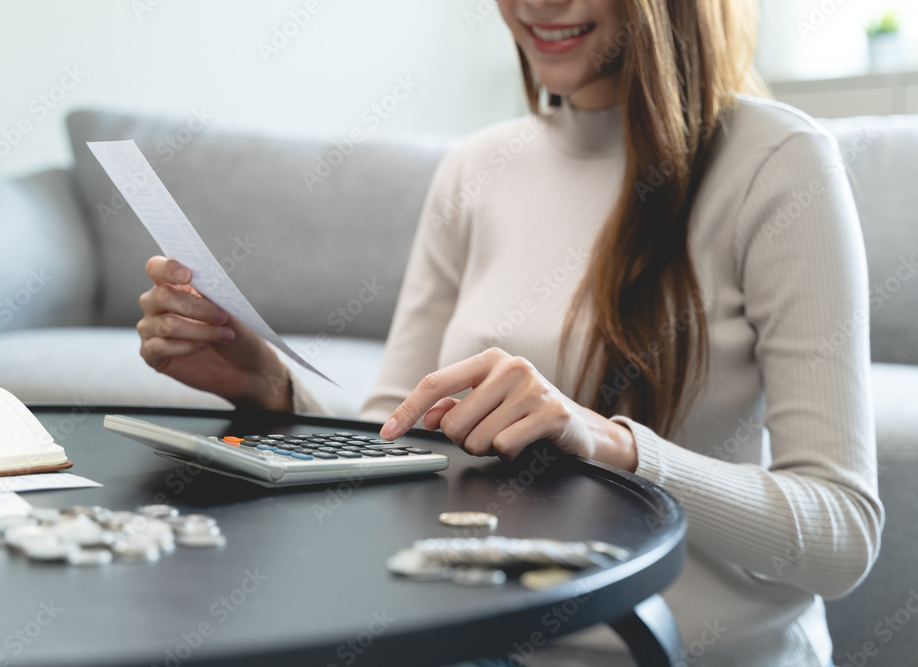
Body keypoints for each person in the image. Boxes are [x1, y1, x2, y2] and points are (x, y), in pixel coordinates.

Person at [135, 0, 883, 664]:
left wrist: (610, 442)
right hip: (492, 643)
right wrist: (269, 385)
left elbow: (841, 537)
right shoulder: (474, 169)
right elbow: (390, 438)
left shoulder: (778, 163)